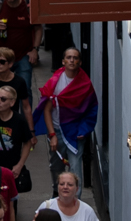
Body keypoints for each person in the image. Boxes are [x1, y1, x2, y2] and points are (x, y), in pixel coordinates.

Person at [33, 48, 98, 189]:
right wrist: (52, 135)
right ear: (63, 61)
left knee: (75, 169)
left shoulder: (85, 84)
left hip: (75, 132)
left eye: (75, 58)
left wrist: (84, 129)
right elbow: (47, 109)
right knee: (56, 167)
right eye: (69, 57)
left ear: (80, 62)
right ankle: (57, 194)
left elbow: (91, 110)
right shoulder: (55, 82)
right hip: (56, 130)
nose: (72, 60)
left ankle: (76, 203)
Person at [0, 0, 42, 95]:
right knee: (3, 90)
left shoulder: (28, 6)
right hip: (3, 57)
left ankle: (26, 113)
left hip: (24, 55)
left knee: (25, 89)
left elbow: (38, 28)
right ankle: (8, 112)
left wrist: (35, 50)